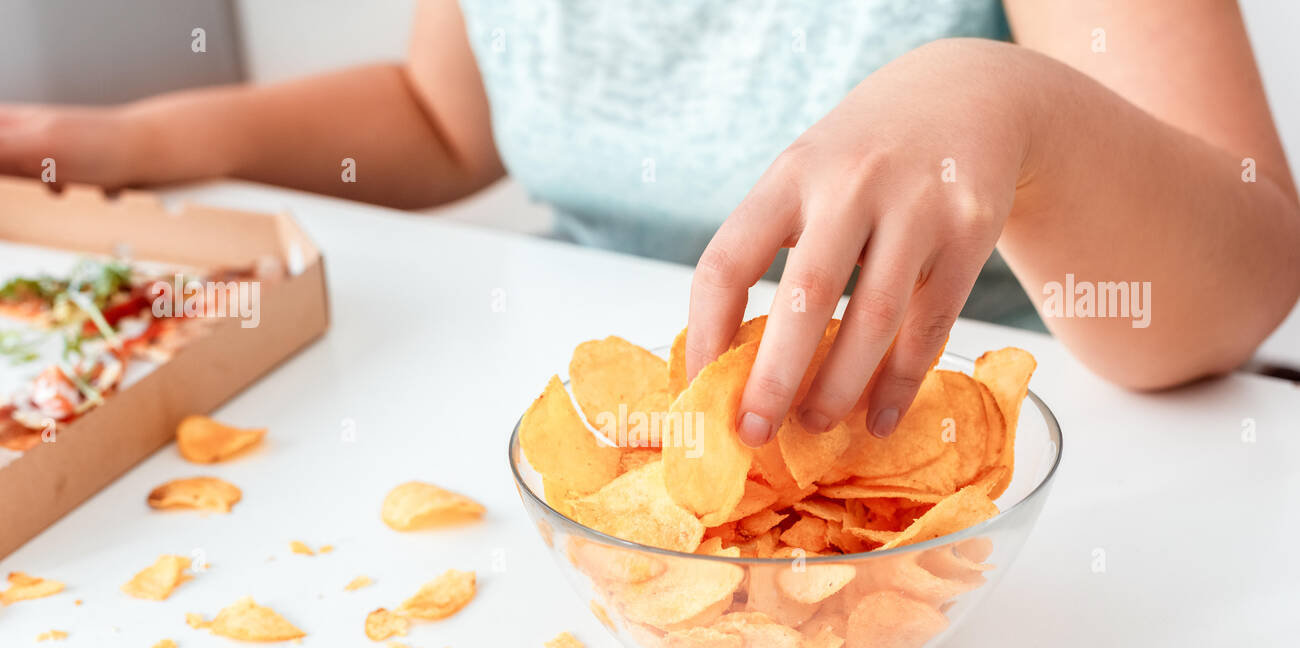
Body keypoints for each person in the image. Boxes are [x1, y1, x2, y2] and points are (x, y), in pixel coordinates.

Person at [2, 0, 1296, 447]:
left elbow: (1242, 288)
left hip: (971, 466)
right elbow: (446, 118)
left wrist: (1019, 108)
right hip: (577, 448)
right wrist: (148, 146)